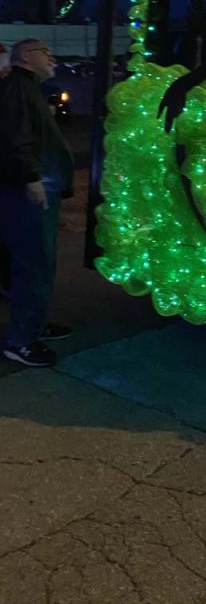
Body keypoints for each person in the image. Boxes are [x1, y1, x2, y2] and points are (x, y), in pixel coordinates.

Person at [0, 38, 74, 366]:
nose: (52, 57)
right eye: (46, 51)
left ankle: (34, 324)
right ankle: (21, 341)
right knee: (34, 265)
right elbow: (15, 137)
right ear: (27, 57)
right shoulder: (18, 87)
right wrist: (32, 179)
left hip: (38, 189)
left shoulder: (26, 88)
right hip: (29, 192)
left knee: (40, 263)